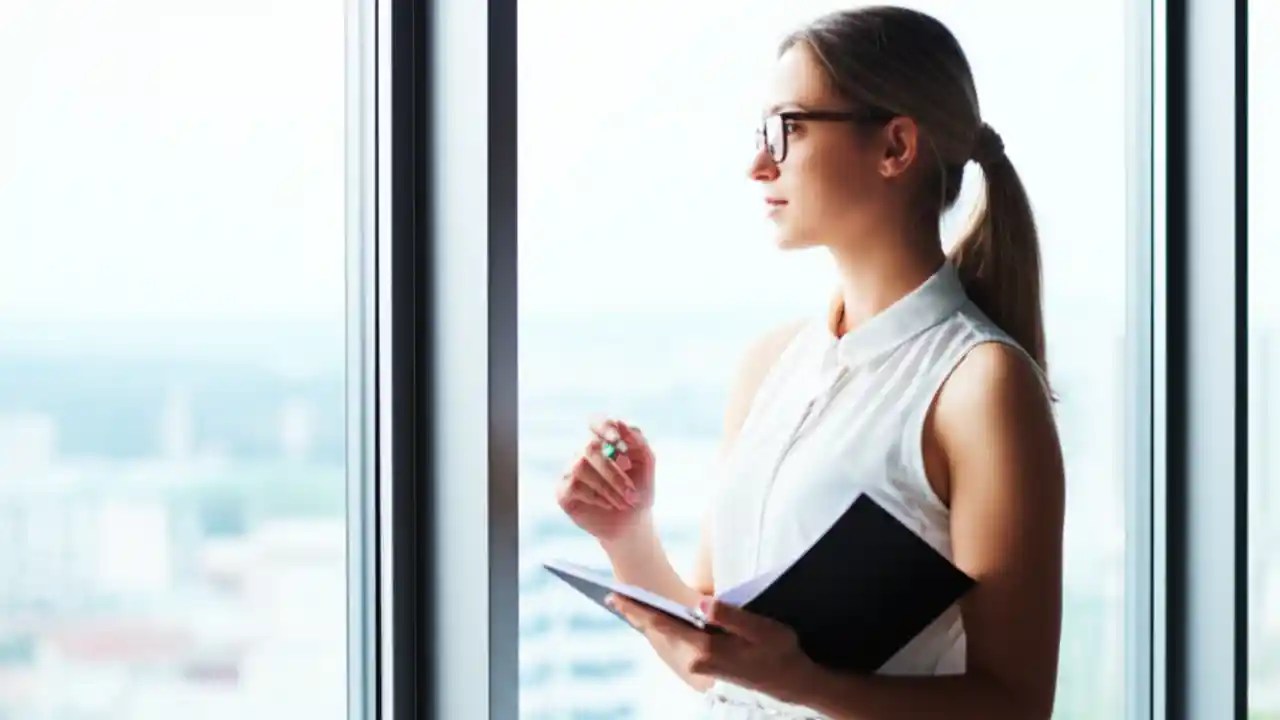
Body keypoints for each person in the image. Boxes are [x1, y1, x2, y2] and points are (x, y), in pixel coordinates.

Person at [554, 5, 1065, 718]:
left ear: (895, 146)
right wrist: (626, 533)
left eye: (787, 129)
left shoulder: (981, 385)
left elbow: (1016, 706)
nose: (758, 163)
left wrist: (801, 681)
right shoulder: (770, 365)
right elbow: (715, 662)